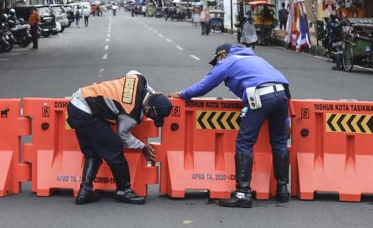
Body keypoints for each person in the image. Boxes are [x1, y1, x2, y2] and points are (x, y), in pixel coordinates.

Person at [170, 44, 291, 207]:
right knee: (279, 142)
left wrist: (183, 94)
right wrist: (287, 120)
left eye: (218, 60)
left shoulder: (228, 61)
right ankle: (283, 190)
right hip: (282, 95)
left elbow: (207, 84)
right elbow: (282, 83)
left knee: (244, 142)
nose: (218, 63)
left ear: (222, 56)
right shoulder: (256, 59)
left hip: (261, 97)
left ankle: (243, 193)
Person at [69, 71, 172, 205]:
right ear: (147, 108)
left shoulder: (139, 79)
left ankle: (85, 192)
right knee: (114, 147)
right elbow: (123, 136)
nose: (150, 118)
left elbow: (131, 72)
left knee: (93, 152)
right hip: (86, 111)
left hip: (77, 102)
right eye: (152, 116)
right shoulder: (131, 114)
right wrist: (142, 146)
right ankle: (124, 190)